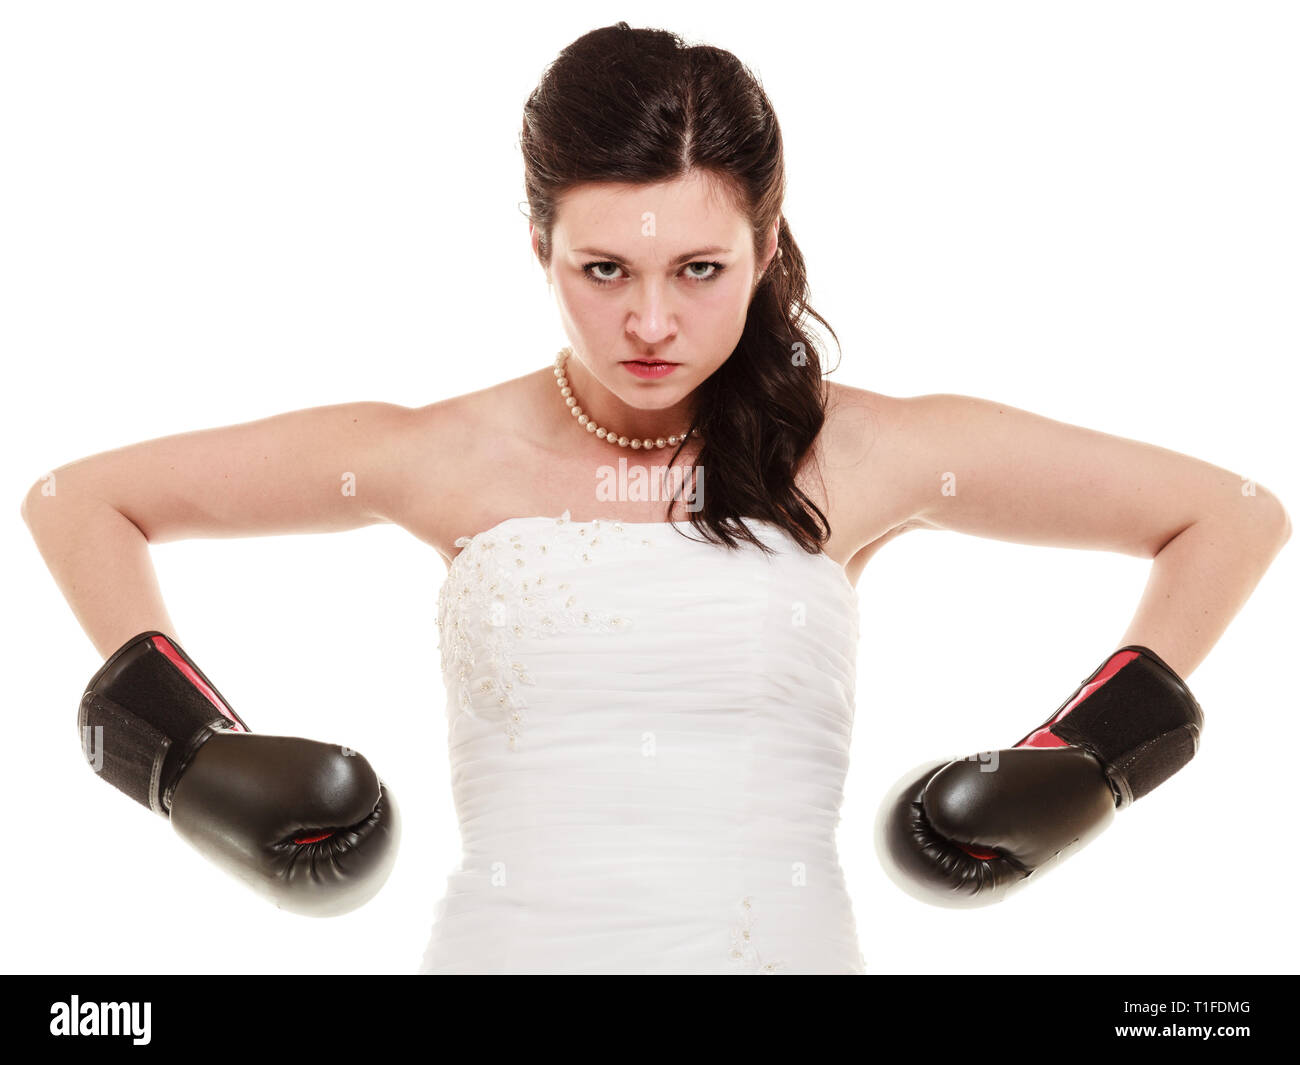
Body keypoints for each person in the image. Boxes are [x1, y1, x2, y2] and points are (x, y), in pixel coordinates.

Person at [22, 22, 1290, 974]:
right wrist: (179, 754)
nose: (648, 320)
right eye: (601, 268)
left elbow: (1229, 513)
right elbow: (81, 499)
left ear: (765, 245)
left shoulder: (868, 452)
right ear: (538, 250)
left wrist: (1096, 756)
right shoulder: (436, 453)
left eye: (698, 267)